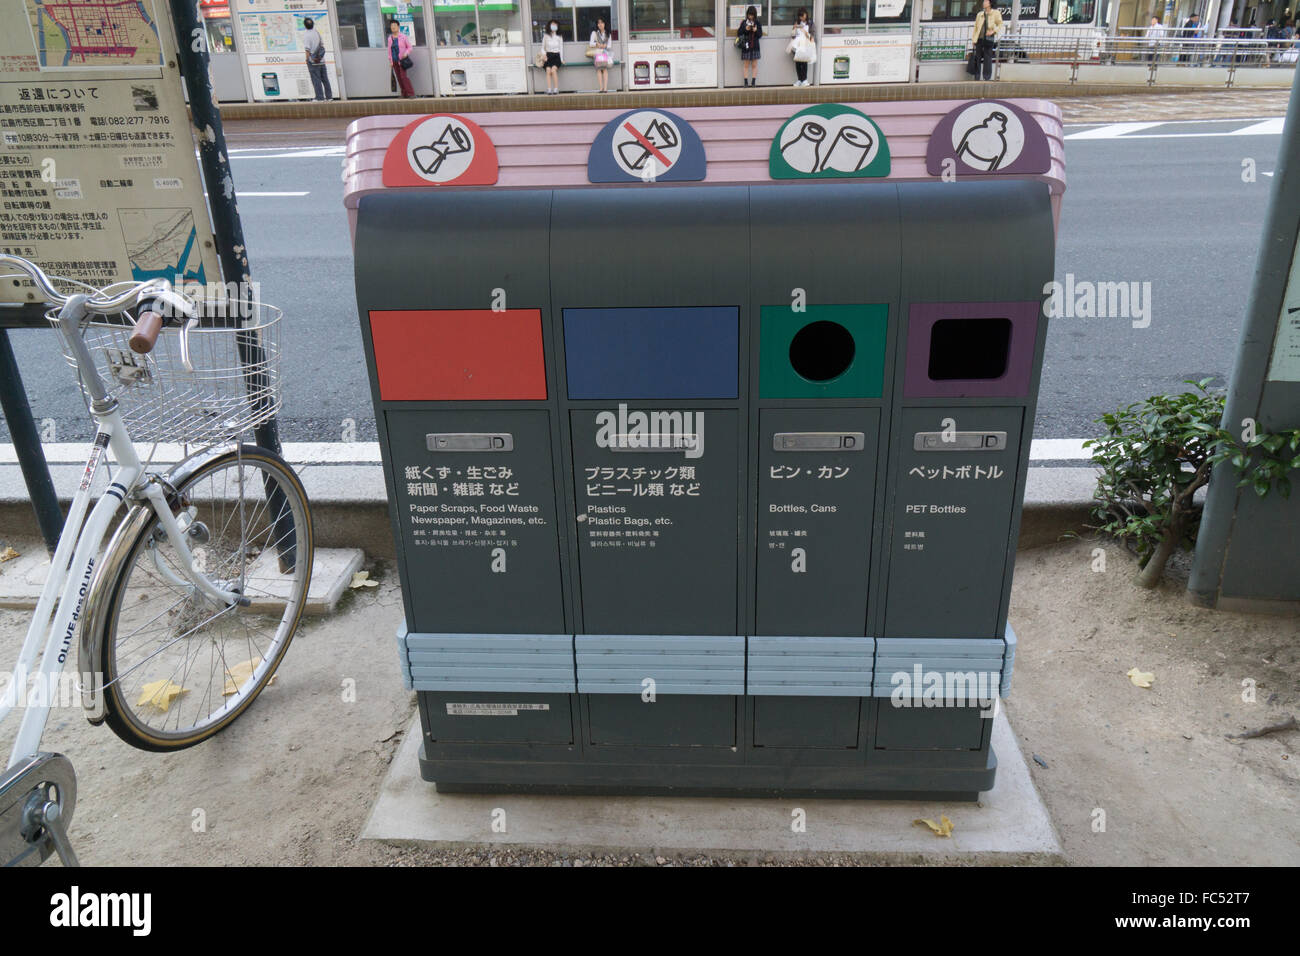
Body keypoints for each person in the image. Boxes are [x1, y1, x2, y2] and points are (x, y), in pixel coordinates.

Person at [970, 0, 1002, 81]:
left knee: (988, 58)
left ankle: (986, 77)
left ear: (990, 3)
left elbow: (1000, 24)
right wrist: (974, 39)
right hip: (979, 38)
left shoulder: (996, 13)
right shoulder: (980, 14)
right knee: (978, 57)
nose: (983, 3)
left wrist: (993, 31)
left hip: (989, 38)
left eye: (985, 1)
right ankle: (977, 76)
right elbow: (976, 28)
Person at [302, 17, 331, 100]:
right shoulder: (317, 33)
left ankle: (320, 97)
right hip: (321, 60)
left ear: (305, 26)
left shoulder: (306, 35)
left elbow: (307, 50)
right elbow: (322, 44)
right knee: (325, 79)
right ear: (313, 24)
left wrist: (307, 60)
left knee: (316, 80)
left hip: (313, 62)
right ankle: (329, 97)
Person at [387, 20, 414, 98]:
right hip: (394, 61)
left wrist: (406, 53)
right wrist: (391, 61)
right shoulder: (390, 38)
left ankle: (411, 93)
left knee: (403, 77)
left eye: (395, 25)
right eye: (392, 26)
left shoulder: (403, 37)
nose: (393, 27)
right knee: (399, 78)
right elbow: (389, 50)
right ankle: (404, 94)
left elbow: (410, 47)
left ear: (398, 27)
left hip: (402, 61)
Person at [738, 6, 762, 87]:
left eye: (752, 15)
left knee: (754, 65)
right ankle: (745, 83)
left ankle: (753, 82)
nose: (750, 17)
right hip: (746, 46)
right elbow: (739, 33)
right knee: (746, 65)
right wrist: (746, 29)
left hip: (755, 46)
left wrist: (756, 30)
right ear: (747, 14)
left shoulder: (757, 23)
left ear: (755, 15)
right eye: (749, 15)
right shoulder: (744, 22)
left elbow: (760, 35)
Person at [789, 8, 813, 87]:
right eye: (800, 17)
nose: (802, 18)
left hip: (805, 44)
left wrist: (805, 32)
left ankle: (804, 79)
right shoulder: (797, 22)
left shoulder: (810, 23)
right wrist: (794, 28)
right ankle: (799, 79)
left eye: (803, 16)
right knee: (798, 62)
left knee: (804, 62)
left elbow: (812, 34)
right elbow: (792, 35)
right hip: (797, 44)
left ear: (806, 15)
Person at [590, 17, 611, 93]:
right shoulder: (594, 33)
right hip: (598, 53)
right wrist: (597, 44)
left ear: (605, 24)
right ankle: (601, 88)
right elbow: (591, 44)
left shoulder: (608, 33)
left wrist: (605, 46)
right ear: (597, 24)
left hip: (605, 53)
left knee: (605, 69)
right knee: (599, 69)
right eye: (598, 23)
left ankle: (605, 88)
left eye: (602, 22)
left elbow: (609, 45)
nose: (600, 24)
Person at [542, 19, 563, 94]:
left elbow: (561, 48)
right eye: (552, 24)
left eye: (555, 25)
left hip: (556, 56)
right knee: (548, 70)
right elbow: (542, 47)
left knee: (553, 70)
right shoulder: (546, 35)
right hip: (548, 56)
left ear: (557, 26)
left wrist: (562, 59)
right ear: (549, 26)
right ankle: (549, 89)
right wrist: (544, 55)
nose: (554, 26)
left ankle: (556, 89)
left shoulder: (559, 36)